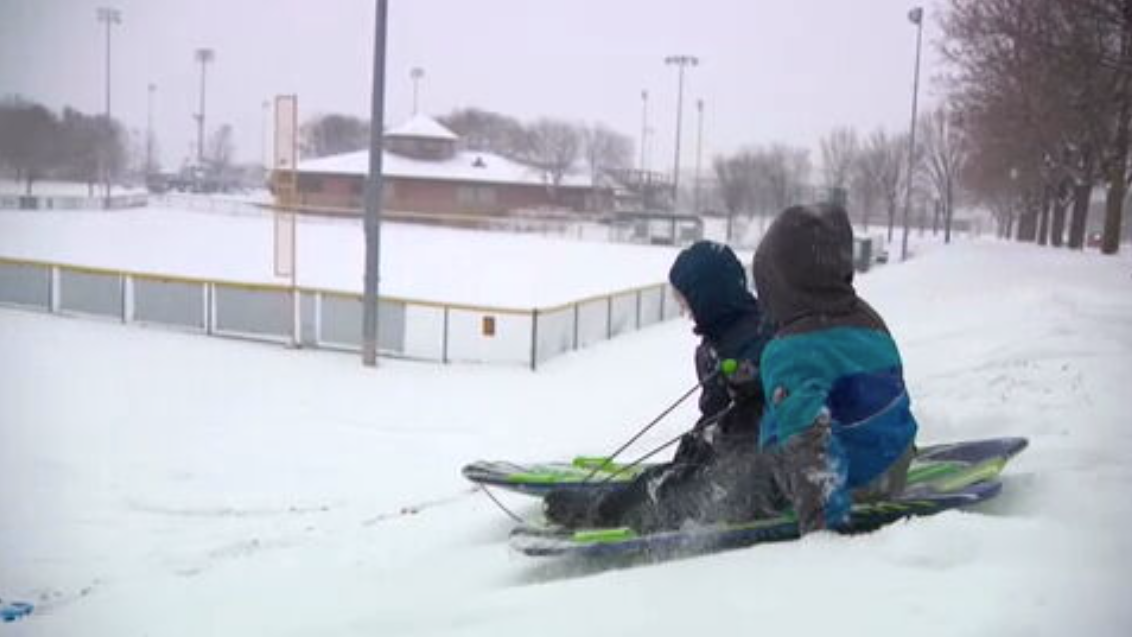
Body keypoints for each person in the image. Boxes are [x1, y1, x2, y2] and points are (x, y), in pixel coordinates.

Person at [544, 240, 778, 533]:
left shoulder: (760, 333)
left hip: (759, 463)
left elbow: (771, 386)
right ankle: (629, 498)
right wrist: (691, 453)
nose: (683, 310)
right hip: (732, 451)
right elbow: (715, 416)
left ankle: (608, 512)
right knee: (669, 479)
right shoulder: (715, 341)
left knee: (678, 495)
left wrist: (750, 376)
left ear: (706, 295)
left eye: (685, 299)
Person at [751, 202, 919, 535]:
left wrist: (822, 526)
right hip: (895, 462)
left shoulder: (789, 350)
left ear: (778, 284)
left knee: (780, 422)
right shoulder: (869, 320)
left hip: (849, 487)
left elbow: (808, 439)